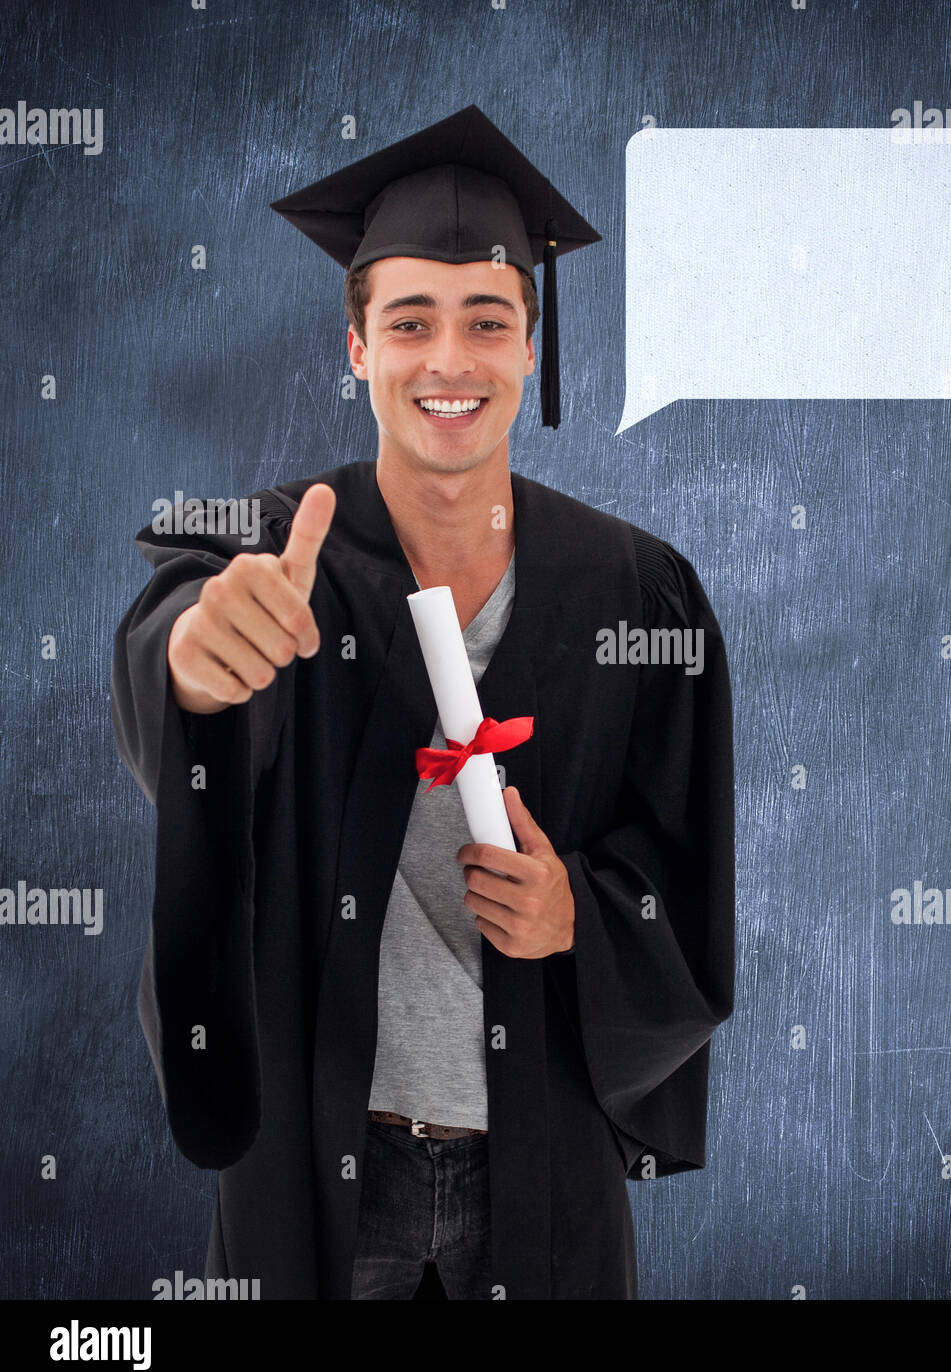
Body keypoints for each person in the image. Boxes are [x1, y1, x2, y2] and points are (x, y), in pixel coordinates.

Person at [111, 104, 735, 1300]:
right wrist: (198, 660)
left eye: (486, 321)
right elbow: (173, 645)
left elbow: (682, 880)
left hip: (541, 1163)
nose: (448, 359)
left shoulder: (635, 589)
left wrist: (579, 919)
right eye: (409, 322)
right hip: (317, 1158)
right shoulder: (272, 546)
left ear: (530, 348)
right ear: (356, 349)